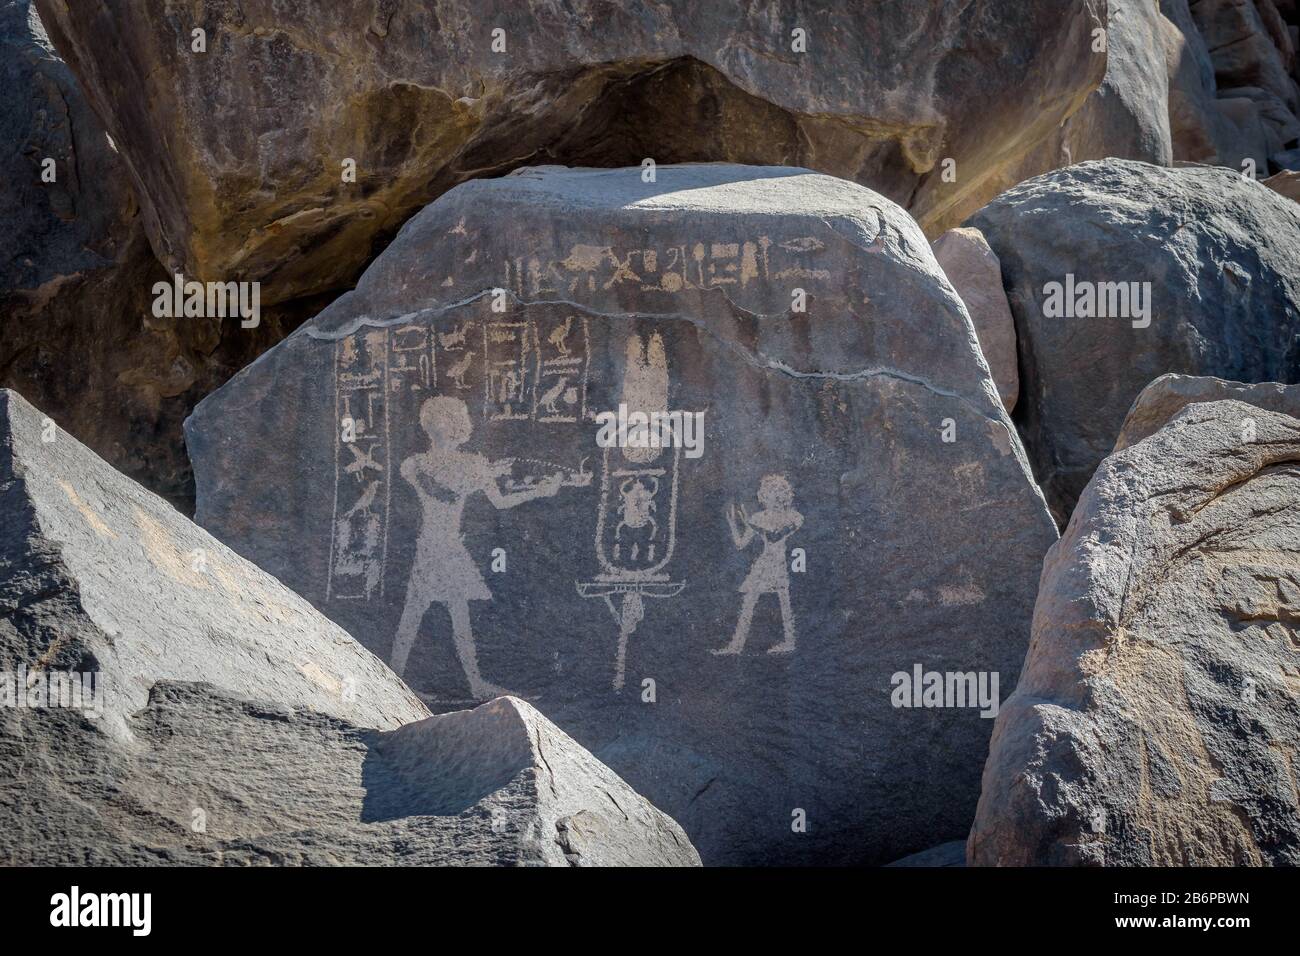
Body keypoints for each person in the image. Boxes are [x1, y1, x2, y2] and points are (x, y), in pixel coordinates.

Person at [390, 396, 562, 697]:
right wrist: (485, 474)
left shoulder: (470, 465)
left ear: (457, 425)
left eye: (446, 417)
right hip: (430, 547)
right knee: (413, 612)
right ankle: (394, 680)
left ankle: (474, 683)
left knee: (458, 613)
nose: (438, 423)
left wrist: (540, 490)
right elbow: (443, 491)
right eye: (435, 417)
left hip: (450, 547)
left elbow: (501, 501)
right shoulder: (416, 464)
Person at [712, 474, 802, 656]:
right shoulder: (759, 517)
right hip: (763, 564)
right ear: (763, 496)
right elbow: (740, 544)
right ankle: (736, 646)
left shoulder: (793, 517)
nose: (773, 498)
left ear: (784, 496)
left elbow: (775, 536)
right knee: (749, 602)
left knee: (784, 602)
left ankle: (790, 642)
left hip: (778, 564)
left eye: (777, 494)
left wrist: (752, 525)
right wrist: (733, 525)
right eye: (770, 493)